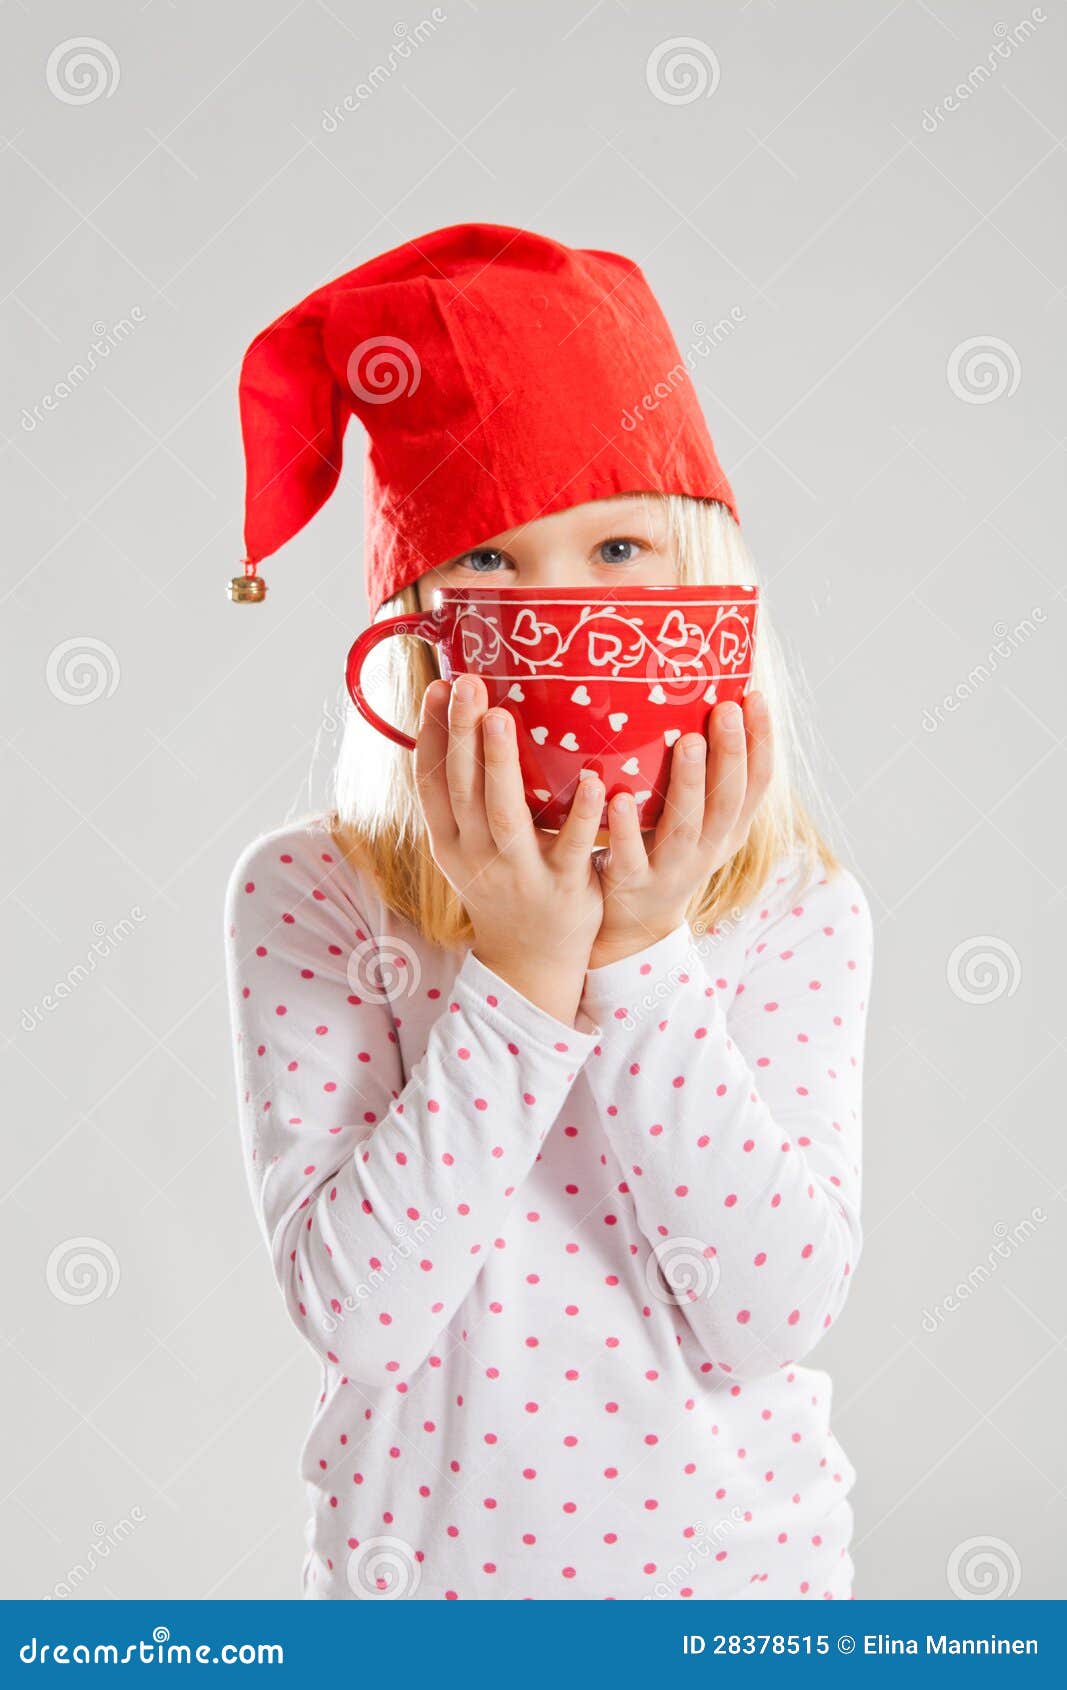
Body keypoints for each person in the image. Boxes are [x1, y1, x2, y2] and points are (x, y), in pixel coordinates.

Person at [224, 224, 873, 1600]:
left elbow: (770, 1317)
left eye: (619, 544)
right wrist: (520, 974)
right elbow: (361, 1313)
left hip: (746, 1605)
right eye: (492, 562)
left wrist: (639, 953)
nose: (563, 603)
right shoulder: (314, 895)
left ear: (705, 589)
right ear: (416, 625)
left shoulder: (793, 905)